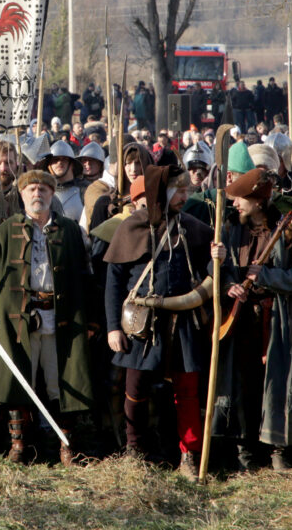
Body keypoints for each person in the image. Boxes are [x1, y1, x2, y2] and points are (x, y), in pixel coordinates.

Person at [104, 165, 213, 478]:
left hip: (185, 321)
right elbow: (114, 282)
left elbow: (213, 271)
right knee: (134, 390)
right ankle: (134, 450)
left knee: (188, 392)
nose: (183, 196)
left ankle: (189, 455)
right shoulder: (131, 228)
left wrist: (218, 256)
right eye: (176, 191)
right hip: (142, 323)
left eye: (185, 191)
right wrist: (113, 326)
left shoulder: (195, 228)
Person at [0, 169, 96, 465]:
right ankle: (19, 445)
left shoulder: (69, 230)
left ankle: (66, 445)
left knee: (61, 381)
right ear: (21, 195)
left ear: (51, 194)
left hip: (61, 319)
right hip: (18, 318)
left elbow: (85, 276)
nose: (37, 194)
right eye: (31, 189)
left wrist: (92, 320)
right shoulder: (5, 230)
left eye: (43, 189)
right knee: (20, 380)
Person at [215, 167, 292, 471]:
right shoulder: (231, 228)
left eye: (240, 199)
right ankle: (245, 451)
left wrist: (268, 276)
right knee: (242, 382)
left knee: (276, 383)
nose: (235, 205)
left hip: (277, 321)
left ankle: (278, 451)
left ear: (258, 201)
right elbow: (222, 272)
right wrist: (226, 282)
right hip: (240, 319)